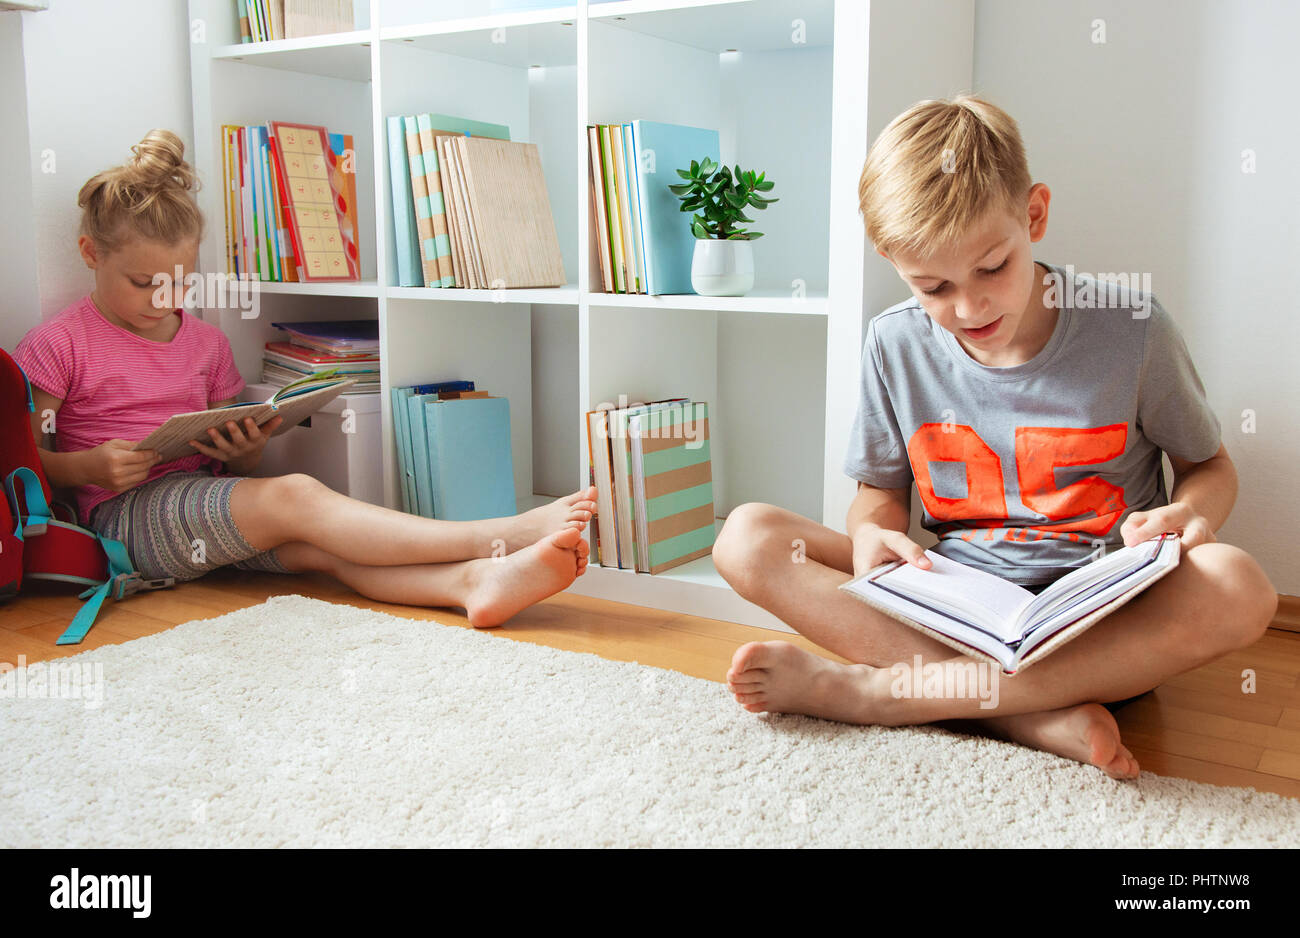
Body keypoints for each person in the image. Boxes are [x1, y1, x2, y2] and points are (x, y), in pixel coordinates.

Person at [711, 94, 1278, 778]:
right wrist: (870, 533)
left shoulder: (1131, 328)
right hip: (952, 611)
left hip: (1099, 628)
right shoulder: (894, 343)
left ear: (1033, 214)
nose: (970, 306)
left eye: (992, 268)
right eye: (933, 286)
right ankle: (1029, 716)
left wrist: (1192, 513)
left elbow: (1210, 465)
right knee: (748, 537)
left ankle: (878, 694)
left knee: (1239, 585)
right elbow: (876, 497)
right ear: (893, 260)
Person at [13, 128, 595, 628]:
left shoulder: (207, 346)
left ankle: (471, 585)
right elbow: (24, 463)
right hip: (122, 519)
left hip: (204, 507)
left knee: (320, 547)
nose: (165, 298)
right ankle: (496, 535)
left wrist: (245, 450)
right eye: (143, 283)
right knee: (296, 494)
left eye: (182, 281)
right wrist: (88, 466)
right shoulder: (61, 344)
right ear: (90, 253)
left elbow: (235, 472)